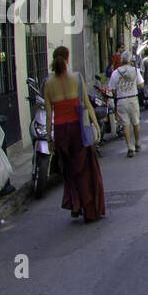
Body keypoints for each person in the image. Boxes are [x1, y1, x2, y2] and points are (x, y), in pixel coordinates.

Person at [44, 45, 105, 223]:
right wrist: (96, 125)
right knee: (85, 170)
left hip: (61, 132)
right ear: (67, 59)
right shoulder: (77, 78)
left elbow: (49, 115)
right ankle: (89, 209)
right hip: (78, 129)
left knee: (69, 171)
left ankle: (75, 204)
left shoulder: (48, 84)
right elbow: (86, 104)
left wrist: (49, 138)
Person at [111, 56, 144, 157]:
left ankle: (129, 147)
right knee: (136, 122)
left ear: (121, 61)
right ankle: (137, 143)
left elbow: (112, 90)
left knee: (125, 124)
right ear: (129, 61)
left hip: (121, 100)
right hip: (133, 98)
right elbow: (141, 85)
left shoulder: (115, 73)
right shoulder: (135, 70)